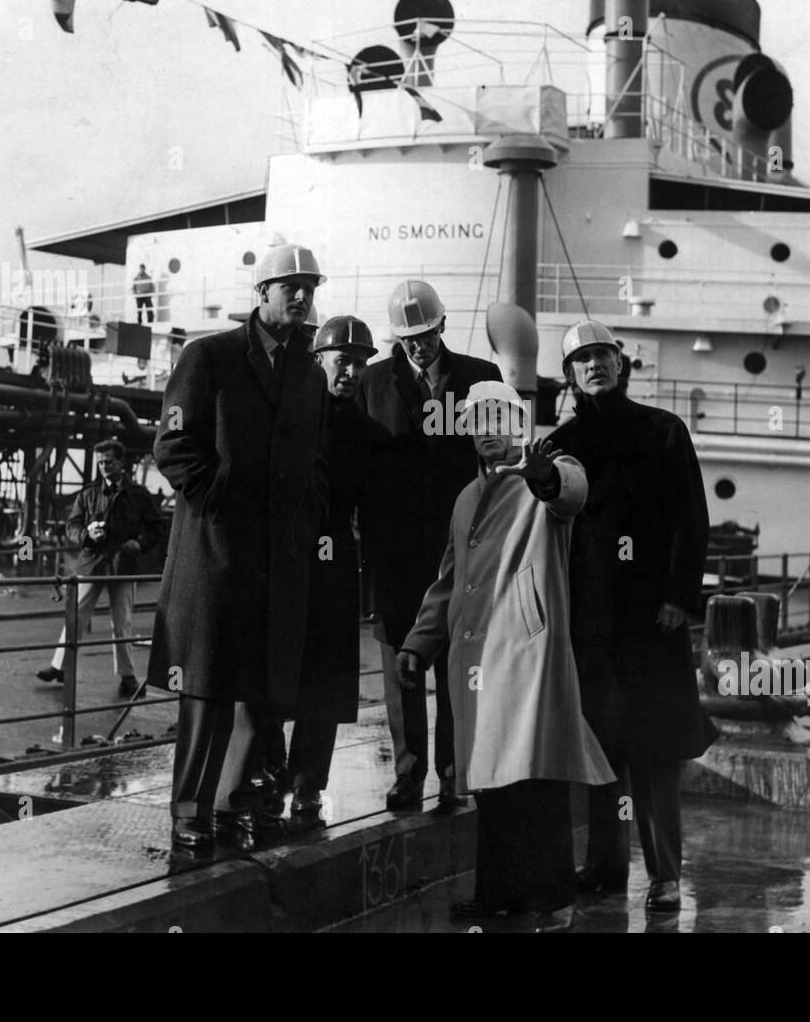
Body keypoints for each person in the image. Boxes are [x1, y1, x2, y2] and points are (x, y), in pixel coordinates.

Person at [397, 383, 612, 930]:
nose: (487, 429)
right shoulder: (467, 496)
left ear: (517, 422)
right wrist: (418, 643)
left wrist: (544, 476)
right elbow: (448, 580)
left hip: (526, 651)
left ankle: (553, 900)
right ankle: (499, 894)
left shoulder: (546, 471)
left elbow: (571, 491)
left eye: (498, 418)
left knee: (535, 779)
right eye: (477, 420)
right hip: (479, 656)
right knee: (493, 781)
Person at [148, 243, 329, 849]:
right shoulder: (210, 356)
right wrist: (221, 497)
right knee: (208, 685)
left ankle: (234, 804)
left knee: (264, 689)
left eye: (308, 287)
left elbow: (316, 459)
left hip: (280, 557)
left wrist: (307, 525)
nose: (301, 298)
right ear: (262, 293)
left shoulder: (308, 371)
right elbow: (174, 447)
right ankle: (190, 811)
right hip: (219, 554)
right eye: (290, 287)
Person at [547, 320, 718, 912]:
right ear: (569, 374)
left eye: (603, 355)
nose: (594, 365)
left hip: (653, 621)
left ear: (622, 365)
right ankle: (604, 865)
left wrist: (679, 597)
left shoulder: (664, 432)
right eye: (582, 359)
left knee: (656, 751)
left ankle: (666, 875)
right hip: (589, 621)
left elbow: (692, 521)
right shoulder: (559, 448)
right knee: (599, 748)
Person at [356, 280, 501, 812]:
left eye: (425, 333)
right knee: (402, 664)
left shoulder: (482, 379)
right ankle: (409, 773)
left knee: (457, 662)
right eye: (408, 338)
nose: (418, 346)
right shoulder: (371, 384)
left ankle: (453, 771)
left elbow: (499, 462)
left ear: (443, 324)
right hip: (395, 554)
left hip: (463, 550)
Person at [261, 315, 384, 829]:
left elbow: (375, 508)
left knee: (327, 680)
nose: (352, 372)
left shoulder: (367, 433)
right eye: (343, 361)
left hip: (334, 567)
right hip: (286, 556)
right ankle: (267, 779)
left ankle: (309, 787)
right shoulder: (289, 418)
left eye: (360, 363)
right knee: (270, 673)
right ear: (319, 361)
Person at [37, 439, 165, 696]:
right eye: (100, 463)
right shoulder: (88, 494)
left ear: (121, 462)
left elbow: (157, 528)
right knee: (75, 616)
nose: (104, 467)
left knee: (122, 623)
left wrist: (139, 544)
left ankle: (128, 677)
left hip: (123, 565)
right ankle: (59, 667)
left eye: (108, 461)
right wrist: (86, 534)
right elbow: (71, 526)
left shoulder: (139, 496)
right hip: (92, 563)